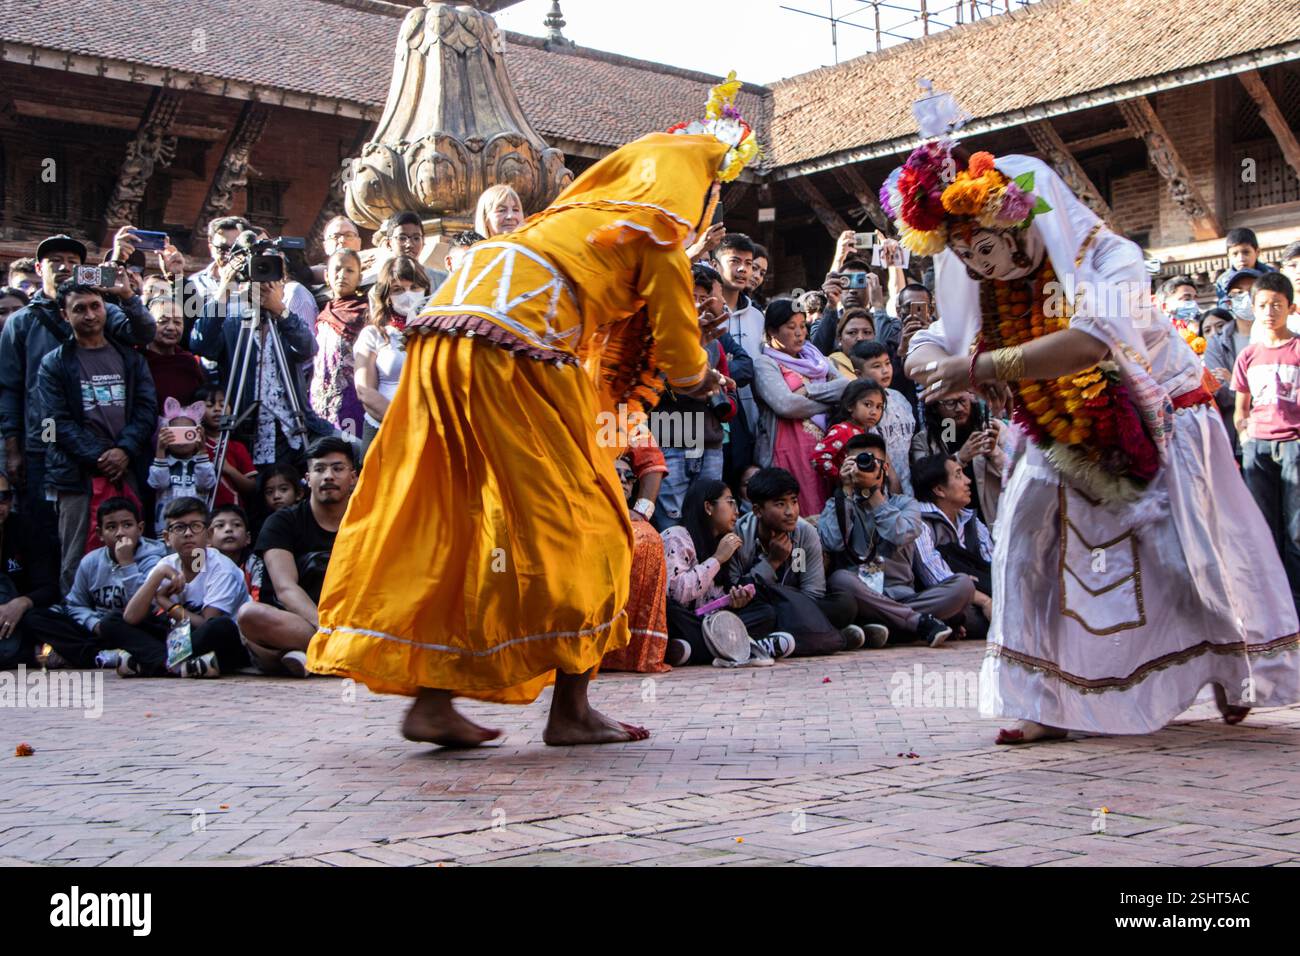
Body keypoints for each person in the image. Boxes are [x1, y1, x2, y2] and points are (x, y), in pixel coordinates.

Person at [309, 87, 759, 748]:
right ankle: (570, 711)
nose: (705, 215)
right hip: (512, 354)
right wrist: (707, 374)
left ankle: (433, 701)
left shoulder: (571, 217)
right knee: (599, 523)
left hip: (441, 339)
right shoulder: (658, 232)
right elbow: (683, 363)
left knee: (462, 523)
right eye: (708, 198)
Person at [899, 142, 1300, 743]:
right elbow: (929, 341)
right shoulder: (996, 287)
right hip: (1053, 427)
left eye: (986, 251)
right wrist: (942, 361)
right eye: (967, 260)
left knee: (1186, 556)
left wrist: (983, 368)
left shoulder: (1111, 258)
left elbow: (1090, 343)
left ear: (1019, 222)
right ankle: (1039, 696)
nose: (981, 270)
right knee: (1024, 540)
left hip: (1158, 419)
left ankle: (1229, 660)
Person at [0, 233, 154, 542]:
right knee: (47, 533)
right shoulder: (22, 322)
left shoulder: (102, 310)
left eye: (72, 261)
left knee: (110, 535)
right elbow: (9, 388)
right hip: (43, 442)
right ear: (38, 267)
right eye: (54, 260)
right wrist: (12, 450)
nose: (63, 267)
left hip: (110, 443)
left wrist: (125, 296)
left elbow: (144, 332)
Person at [37, 281, 158, 592]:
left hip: (126, 469)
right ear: (65, 315)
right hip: (78, 474)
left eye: (95, 306)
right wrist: (100, 456)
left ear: (105, 309)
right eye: (79, 309)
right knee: (76, 557)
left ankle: (131, 619)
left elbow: (146, 409)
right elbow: (54, 421)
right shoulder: (54, 363)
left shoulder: (131, 358)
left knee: (131, 548)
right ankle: (78, 626)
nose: (90, 315)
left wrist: (125, 450)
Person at [819, 434, 955, 648]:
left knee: (962, 586)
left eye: (870, 461)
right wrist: (844, 493)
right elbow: (832, 542)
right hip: (861, 593)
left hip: (903, 596)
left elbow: (900, 535)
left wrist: (874, 497)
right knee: (840, 580)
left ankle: (885, 625)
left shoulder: (906, 503)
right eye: (856, 462)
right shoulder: (837, 503)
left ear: (886, 466)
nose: (863, 467)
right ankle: (916, 623)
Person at [238, 437, 357, 677]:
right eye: (319, 469)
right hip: (303, 622)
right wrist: (327, 629)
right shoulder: (282, 521)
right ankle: (336, 654)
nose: (328, 476)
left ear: (353, 478)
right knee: (249, 615)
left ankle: (299, 658)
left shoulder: (366, 521)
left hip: (352, 621)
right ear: (307, 479)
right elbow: (285, 588)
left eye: (337, 468)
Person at [105, 497, 250, 678]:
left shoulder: (222, 569)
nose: (188, 534)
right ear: (167, 538)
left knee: (220, 627)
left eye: (196, 526)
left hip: (217, 641)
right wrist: (158, 575)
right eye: (179, 528)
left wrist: (166, 603)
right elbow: (131, 617)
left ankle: (153, 663)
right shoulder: (167, 564)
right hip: (178, 638)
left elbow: (206, 625)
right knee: (111, 621)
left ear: (209, 535)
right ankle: (179, 666)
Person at [726, 466, 863, 655]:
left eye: (794, 501)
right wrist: (772, 562)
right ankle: (833, 637)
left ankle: (785, 639)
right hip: (760, 610)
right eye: (780, 504)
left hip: (799, 608)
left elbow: (813, 593)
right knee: (760, 615)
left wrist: (782, 597)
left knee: (844, 604)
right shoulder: (738, 535)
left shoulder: (805, 533)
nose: (791, 511)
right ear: (757, 510)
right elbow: (736, 591)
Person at [25, 497, 165, 669]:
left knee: (116, 621)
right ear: (100, 534)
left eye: (127, 525)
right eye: (111, 527)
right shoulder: (90, 561)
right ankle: (98, 656)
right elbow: (75, 604)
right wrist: (94, 624)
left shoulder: (155, 560)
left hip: (135, 628)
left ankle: (92, 656)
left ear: (140, 528)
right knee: (35, 617)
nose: (120, 533)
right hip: (98, 629)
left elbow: (149, 607)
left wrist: (127, 563)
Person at [661, 479, 792, 664]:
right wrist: (717, 559)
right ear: (708, 507)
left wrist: (733, 602)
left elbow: (712, 610)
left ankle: (696, 651)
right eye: (730, 502)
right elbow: (677, 593)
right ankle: (748, 647)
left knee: (764, 612)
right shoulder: (676, 536)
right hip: (682, 620)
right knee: (669, 611)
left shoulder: (723, 542)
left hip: (706, 627)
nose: (736, 511)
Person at [1233, 272, 1300, 611]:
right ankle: (1271, 610)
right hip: (1257, 447)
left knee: (1296, 530)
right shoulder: (1247, 356)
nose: (1270, 311)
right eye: (1262, 305)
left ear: (1291, 307)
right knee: (1263, 529)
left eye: (1277, 304)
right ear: (1253, 308)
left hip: (1294, 446)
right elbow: (1240, 407)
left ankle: (1296, 605)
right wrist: (1245, 434)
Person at [752, 298, 848, 516]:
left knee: (827, 509)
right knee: (797, 511)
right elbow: (785, 405)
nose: (799, 333)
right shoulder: (765, 363)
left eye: (802, 326)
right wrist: (827, 401)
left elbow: (845, 386)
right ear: (772, 332)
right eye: (791, 327)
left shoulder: (818, 360)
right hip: (787, 449)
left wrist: (806, 390)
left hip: (825, 447)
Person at [903, 453, 994, 640]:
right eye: (959, 475)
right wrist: (985, 601)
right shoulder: (920, 521)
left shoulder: (971, 520)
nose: (968, 481)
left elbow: (993, 565)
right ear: (939, 490)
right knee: (961, 589)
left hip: (983, 598)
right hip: (952, 601)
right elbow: (936, 578)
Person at [601, 454, 672, 672]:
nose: (623, 480)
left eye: (629, 477)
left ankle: (637, 652)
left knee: (649, 537)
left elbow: (651, 459)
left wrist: (641, 512)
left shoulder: (644, 531)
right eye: (616, 473)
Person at [356, 255, 431, 456]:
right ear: (387, 296)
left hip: (430, 433)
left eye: (414, 288)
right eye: (398, 290)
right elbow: (365, 392)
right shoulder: (373, 334)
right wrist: (405, 424)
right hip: (384, 431)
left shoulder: (436, 334)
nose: (408, 295)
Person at [912, 391, 1007, 524]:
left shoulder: (993, 429)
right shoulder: (923, 441)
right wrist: (959, 459)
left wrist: (993, 451)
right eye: (950, 403)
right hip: (952, 527)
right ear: (935, 407)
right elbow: (925, 485)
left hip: (993, 521)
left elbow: (1015, 473)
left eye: (963, 401)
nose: (959, 409)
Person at [0, 470, 59, 668]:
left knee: (37, 619)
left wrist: (22, 603)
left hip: (18, 618)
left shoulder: (28, 529)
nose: (0, 505)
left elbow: (49, 587)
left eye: (4, 497)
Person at [1204, 267, 1262, 458]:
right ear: (1228, 300)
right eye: (1237, 293)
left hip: (1280, 434)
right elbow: (1219, 392)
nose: (1244, 297)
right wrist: (1258, 393)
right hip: (1235, 437)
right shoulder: (1217, 342)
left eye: (1250, 290)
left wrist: (1234, 381)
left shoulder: (1280, 337)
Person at [310, 249, 369, 436]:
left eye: (350, 271)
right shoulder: (324, 311)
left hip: (353, 400)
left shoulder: (366, 313)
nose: (342, 275)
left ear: (359, 278)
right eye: (337, 269)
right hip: (320, 399)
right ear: (327, 275)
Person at [851, 340, 915, 494]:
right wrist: (892, 479)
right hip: (879, 488)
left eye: (887, 363)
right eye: (877, 366)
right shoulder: (860, 407)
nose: (885, 370)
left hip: (909, 484)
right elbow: (871, 446)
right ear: (859, 374)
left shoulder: (899, 398)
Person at [147, 398, 216, 530]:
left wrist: (202, 450)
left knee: (198, 552)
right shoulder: (162, 463)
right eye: (176, 433)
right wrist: (160, 450)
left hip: (197, 529)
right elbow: (159, 483)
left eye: (187, 433)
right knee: (170, 551)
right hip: (166, 531)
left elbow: (206, 483)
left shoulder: (202, 464)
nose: (182, 440)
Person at [810, 378, 886, 489]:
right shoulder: (843, 430)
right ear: (850, 406)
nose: (874, 412)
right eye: (868, 405)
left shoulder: (866, 432)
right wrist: (842, 476)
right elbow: (818, 458)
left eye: (879, 407)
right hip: (847, 493)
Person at [197, 384, 257, 511]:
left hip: (232, 512)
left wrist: (229, 469)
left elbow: (251, 487)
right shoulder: (193, 445)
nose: (217, 409)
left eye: (222, 404)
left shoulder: (237, 447)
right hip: (201, 510)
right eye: (209, 405)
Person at [143, 296, 205, 409]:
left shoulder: (188, 361)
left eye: (177, 322)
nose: (171, 327)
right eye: (163, 321)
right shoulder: (139, 361)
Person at [1215, 227, 1276, 307]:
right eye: (1235, 254)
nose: (1241, 259)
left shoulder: (1271, 274)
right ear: (1229, 256)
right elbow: (1224, 307)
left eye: (1246, 252)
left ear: (1257, 252)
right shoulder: (1223, 281)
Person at [825, 307, 876, 378]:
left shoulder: (883, 367)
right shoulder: (828, 367)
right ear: (839, 338)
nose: (860, 338)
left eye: (867, 332)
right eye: (852, 333)